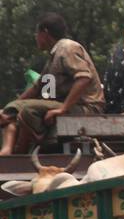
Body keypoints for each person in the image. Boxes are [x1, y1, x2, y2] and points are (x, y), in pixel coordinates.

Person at [0, 13, 106, 154]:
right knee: (17, 110)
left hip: (86, 107)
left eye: (36, 33)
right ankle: (9, 152)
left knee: (27, 111)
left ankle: (22, 151)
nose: (36, 38)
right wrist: (9, 109)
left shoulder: (67, 48)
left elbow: (84, 78)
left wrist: (63, 109)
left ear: (45, 33)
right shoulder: (53, 57)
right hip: (70, 105)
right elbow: (38, 88)